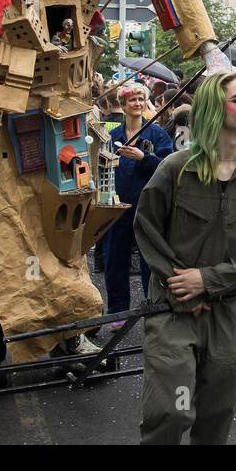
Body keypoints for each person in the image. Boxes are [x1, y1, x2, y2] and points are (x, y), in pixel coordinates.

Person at [134, 71, 236, 445]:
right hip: (172, 307)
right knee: (170, 410)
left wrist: (208, 281)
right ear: (215, 109)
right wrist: (179, 283)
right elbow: (147, 227)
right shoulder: (176, 169)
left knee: (216, 414)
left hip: (228, 310)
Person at [102, 82, 173, 323]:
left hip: (148, 207)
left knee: (149, 263)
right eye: (132, 100)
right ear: (122, 105)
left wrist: (145, 158)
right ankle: (117, 312)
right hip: (117, 207)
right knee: (115, 261)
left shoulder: (157, 133)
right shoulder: (113, 136)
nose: (138, 103)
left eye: (141, 99)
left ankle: (153, 310)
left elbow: (167, 167)